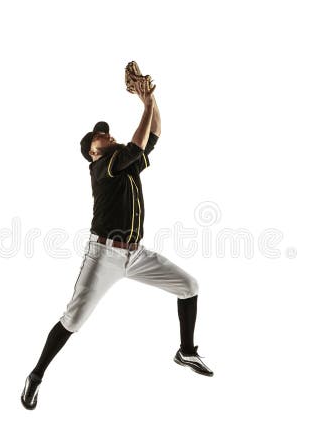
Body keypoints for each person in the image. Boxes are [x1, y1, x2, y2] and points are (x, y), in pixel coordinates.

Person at [21, 77, 213, 410]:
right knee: (73, 319)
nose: (106, 133)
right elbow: (138, 145)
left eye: (106, 131)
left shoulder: (124, 163)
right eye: (100, 134)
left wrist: (150, 103)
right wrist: (147, 102)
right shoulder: (101, 167)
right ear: (92, 151)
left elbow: (153, 136)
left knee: (189, 286)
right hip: (103, 256)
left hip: (135, 254)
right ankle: (36, 376)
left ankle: (186, 352)